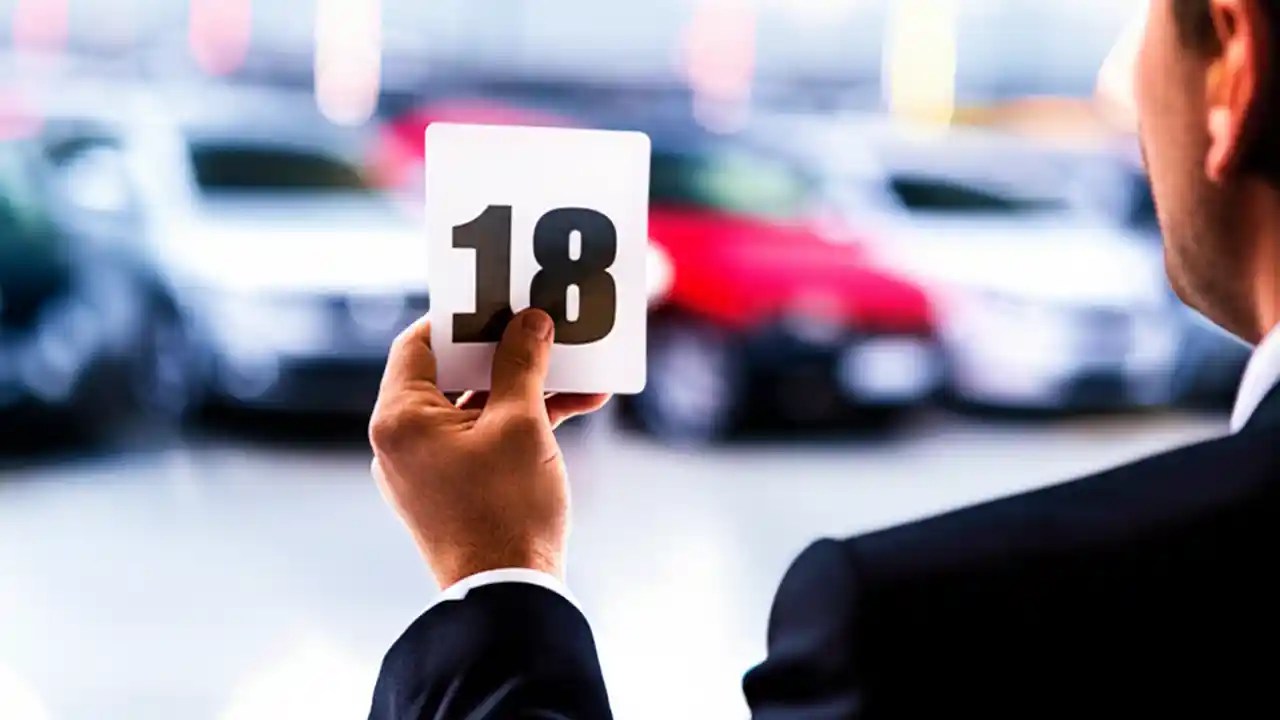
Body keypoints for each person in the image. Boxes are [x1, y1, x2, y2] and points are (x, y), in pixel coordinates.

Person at [366, 1, 1280, 716]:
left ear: (1233, 64)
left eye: (1144, 16)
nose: (1118, 86)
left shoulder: (924, 636)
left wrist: (495, 569)